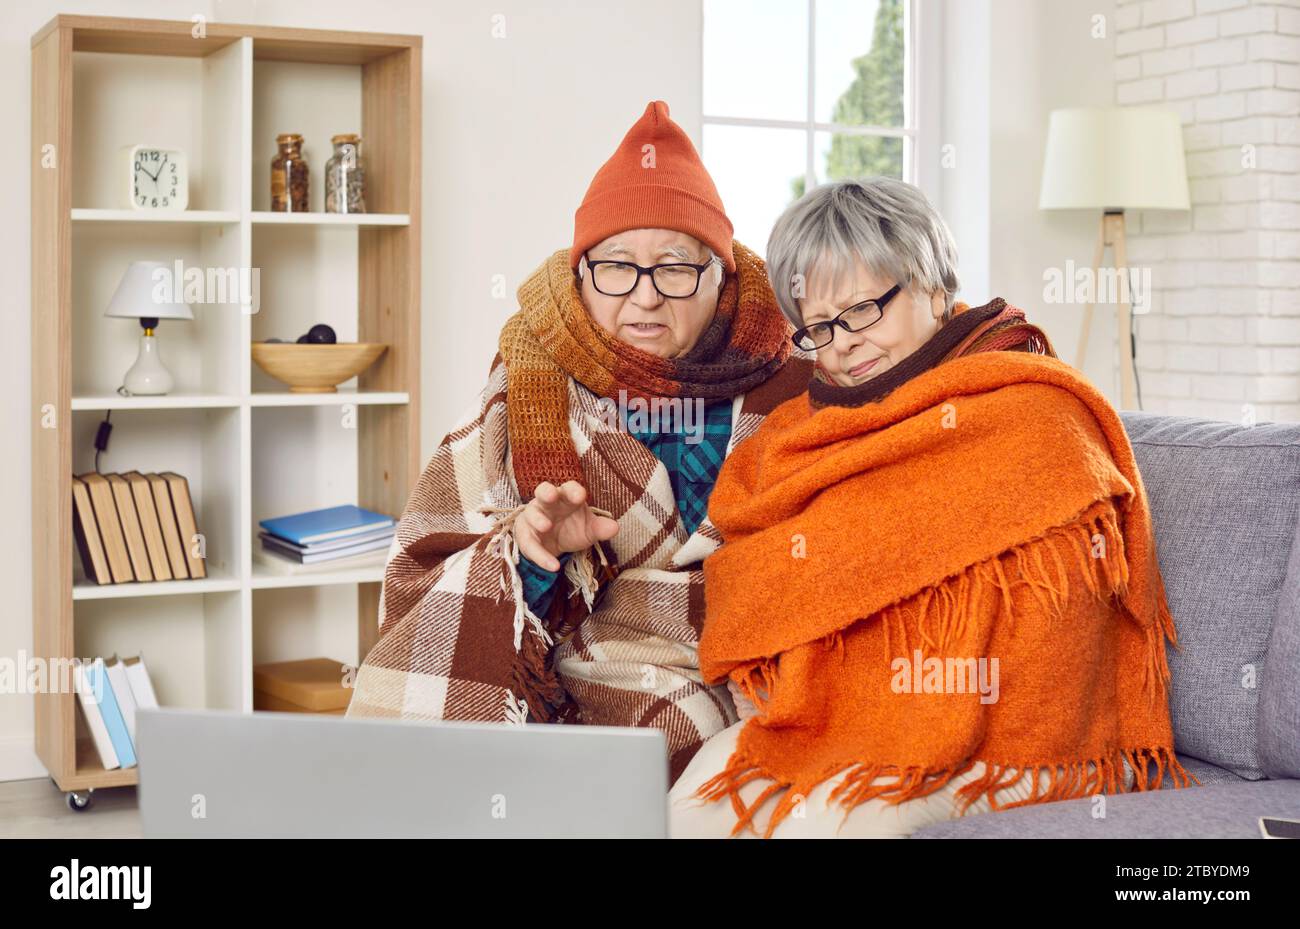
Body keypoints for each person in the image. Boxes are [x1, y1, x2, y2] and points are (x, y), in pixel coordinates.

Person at [669, 178, 1197, 838]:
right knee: (692, 800)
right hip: (845, 717)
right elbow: (761, 575)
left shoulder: (1035, 416)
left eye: (864, 309)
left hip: (1017, 741)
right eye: (820, 327)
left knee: (829, 824)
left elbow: (1058, 630)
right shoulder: (802, 434)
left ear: (934, 285)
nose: (843, 344)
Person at [345, 100, 813, 783]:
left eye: (675, 268)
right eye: (616, 266)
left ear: (723, 276)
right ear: (581, 275)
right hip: (582, 661)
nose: (645, 297)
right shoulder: (532, 374)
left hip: (759, 656)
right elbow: (430, 566)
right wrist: (533, 549)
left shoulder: (794, 378)